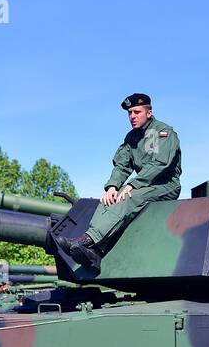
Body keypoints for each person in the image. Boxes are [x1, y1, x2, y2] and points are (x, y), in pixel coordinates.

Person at [54, 92, 181, 270]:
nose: (132, 116)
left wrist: (133, 184)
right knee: (108, 200)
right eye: (130, 113)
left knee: (128, 198)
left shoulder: (163, 132)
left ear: (149, 113)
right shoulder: (132, 138)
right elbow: (122, 166)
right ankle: (95, 252)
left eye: (137, 112)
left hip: (165, 185)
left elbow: (160, 164)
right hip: (143, 185)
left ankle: (88, 240)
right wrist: (112, 187)